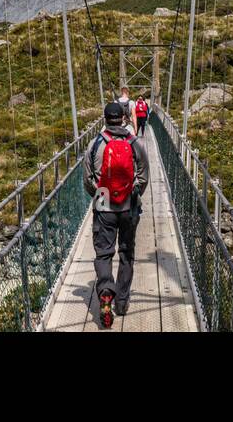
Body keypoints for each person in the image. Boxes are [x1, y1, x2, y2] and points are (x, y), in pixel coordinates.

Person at [83, 100, 149, 328]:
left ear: (104, 119)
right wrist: (133, 193)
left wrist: (101, 193)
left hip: (104, 203)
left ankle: (105, 293)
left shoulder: (95, 144)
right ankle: (121, 302)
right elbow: (143, 176)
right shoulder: (135, 142)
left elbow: (87, 179)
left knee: (103, 253)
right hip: (129, 204)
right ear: (123, 118)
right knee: (126, 253)